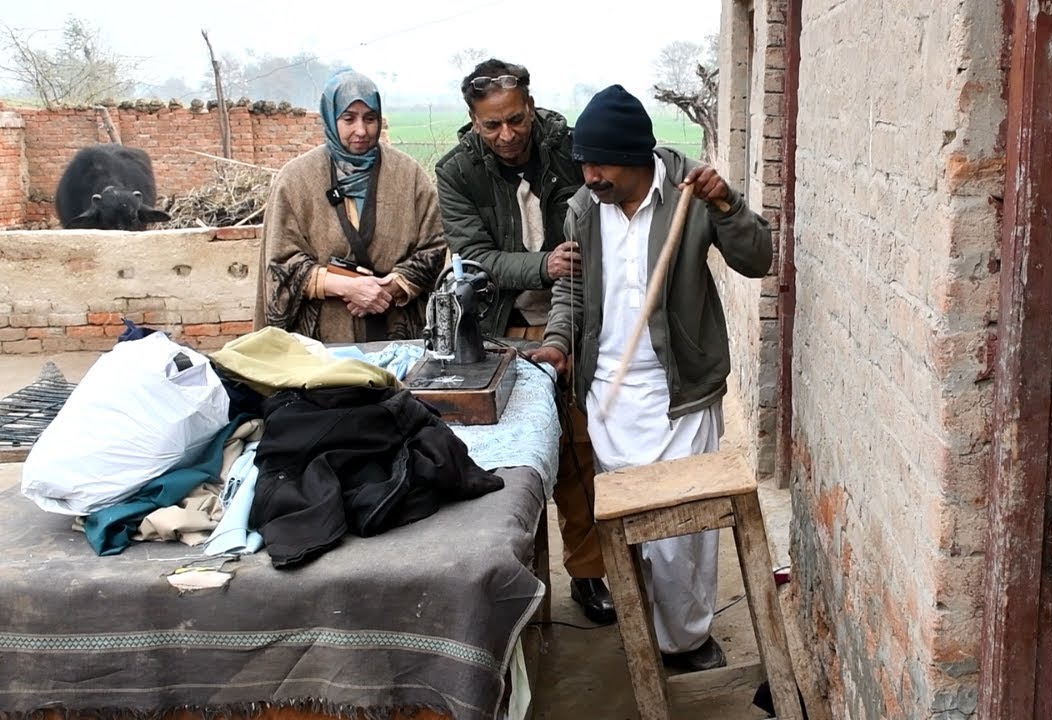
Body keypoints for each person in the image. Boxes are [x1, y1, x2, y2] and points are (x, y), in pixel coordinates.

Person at [530, 85, 773, 672]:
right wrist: (560, 345)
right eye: (583, 163)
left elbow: (758, 258)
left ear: (638, 157)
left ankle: (685, 645)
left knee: (681, 541)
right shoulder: (584, 209)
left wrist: (728, 206)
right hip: (608, 396)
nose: (590, 175)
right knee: (634, 533)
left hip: (680, 395)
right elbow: (572, 290)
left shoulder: (690, 192)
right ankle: (652, 633)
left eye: (601, 163)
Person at [434, 59, 615, 625]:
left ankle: (588, 573)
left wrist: (565, 279)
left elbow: (591, 234)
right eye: (492, 126)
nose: (507, 136)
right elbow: (476, 259)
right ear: (474, 122)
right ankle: (520, 582)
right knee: (513, 464)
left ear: (531, 107)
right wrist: (543, 265)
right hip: (499, 331)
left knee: (580, 455)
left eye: (516, 120)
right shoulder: (457, 171)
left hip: (580, 319)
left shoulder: (567, 149)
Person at [256, 69, 446, 343]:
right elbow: (281, 263)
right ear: (331, 119)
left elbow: (435, 246)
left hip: (399, 332)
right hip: (323, 340)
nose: (361, 130)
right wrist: (346, 287)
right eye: (349, 119)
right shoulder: (297, 179)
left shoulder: (409, 175)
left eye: (370, 119)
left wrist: (389, 288)